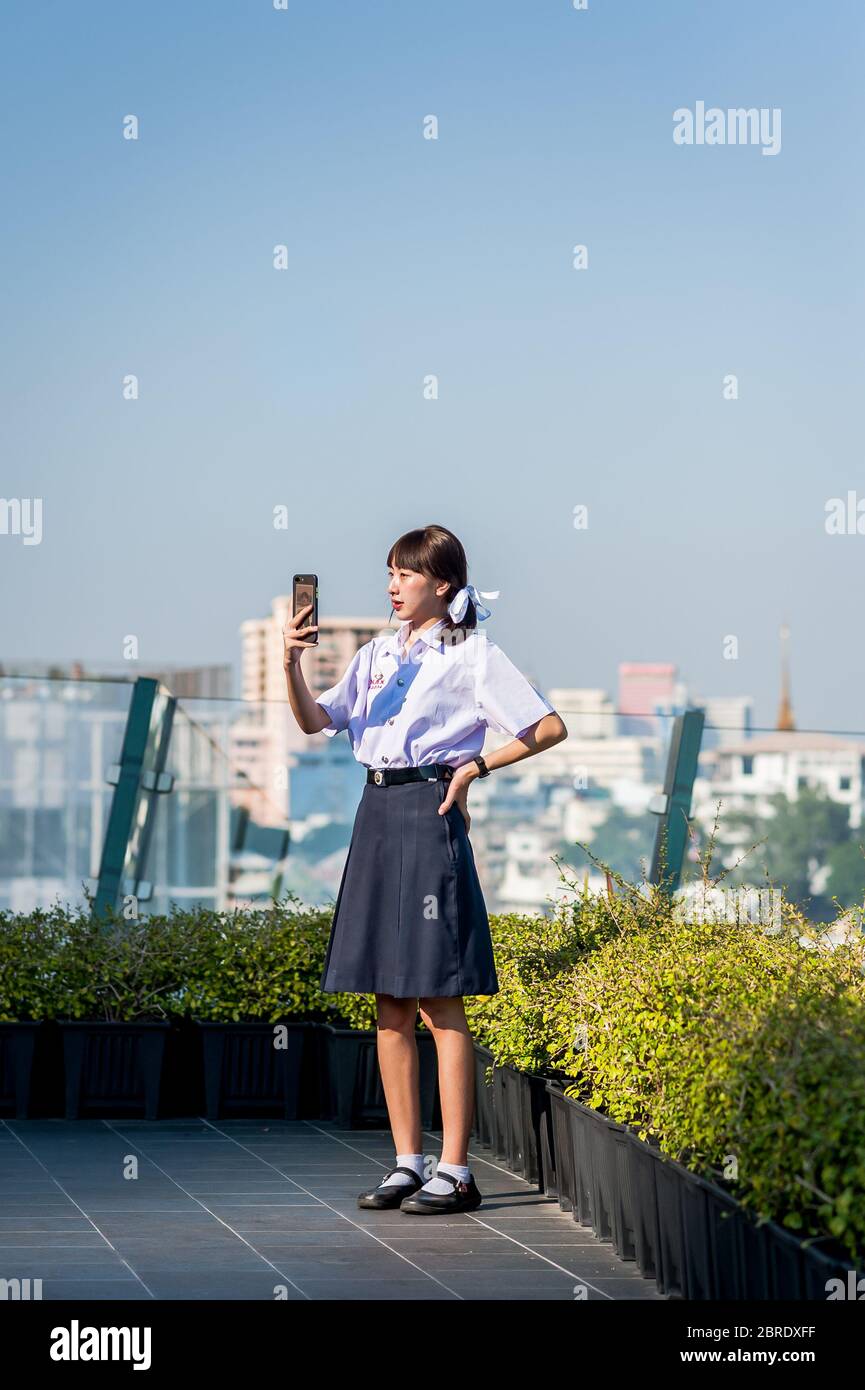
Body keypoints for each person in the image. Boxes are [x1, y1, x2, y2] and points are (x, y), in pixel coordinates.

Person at [283, 523, 568, 1214]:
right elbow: (316, 721)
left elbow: (547, 727)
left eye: (404, 574)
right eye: (388, 572)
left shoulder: (473, 654)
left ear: (441, 584)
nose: (391, 585)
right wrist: (289, 663)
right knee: (387, 1001)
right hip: (375, 812)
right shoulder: (377, 652)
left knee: (441, 1001)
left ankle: (456, 1169)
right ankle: (407, 1161)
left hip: (429, 807)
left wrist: (474, 766)